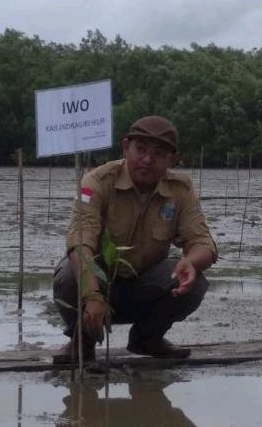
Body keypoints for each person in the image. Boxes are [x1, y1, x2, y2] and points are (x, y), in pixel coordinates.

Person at [52, 115, 217, 364]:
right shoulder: (97, 181)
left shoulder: (180, 189)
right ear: (125, 146)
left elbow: (203, 243)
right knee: (68, 275)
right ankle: (82, 341)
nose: (147, 160)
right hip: (99, 285)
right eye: (140, 149)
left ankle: (146, 338)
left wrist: (191, 262)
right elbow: (79, 242)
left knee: (194, 282)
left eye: (159, 154)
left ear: (172, 159)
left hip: (145, 284)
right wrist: (92, 294)